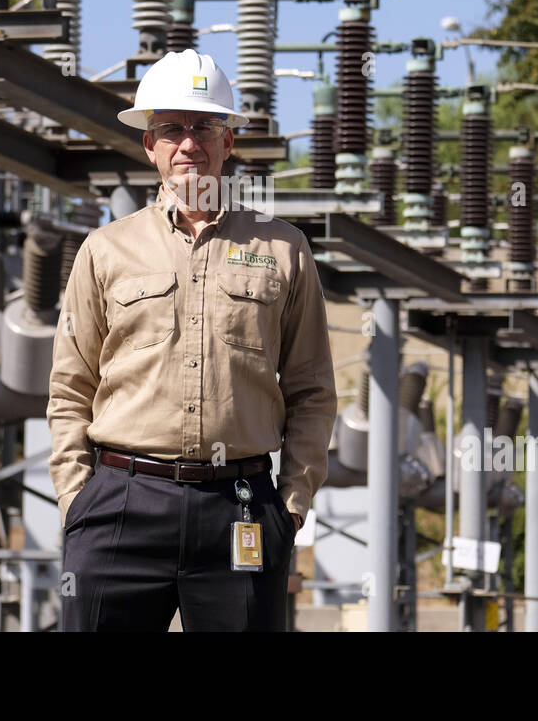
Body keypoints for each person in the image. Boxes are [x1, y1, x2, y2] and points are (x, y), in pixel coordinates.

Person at [48, 49, 337, 631]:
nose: (188, 143)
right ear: (149, 145)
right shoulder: (105, 251)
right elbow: (69, 387)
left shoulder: (283, 250)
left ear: (229, 142)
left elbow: (311, 388)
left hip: (243, 507)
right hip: (119, 507)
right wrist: (77, 500)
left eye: (204, 126)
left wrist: (292, 506)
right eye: (171, 129)